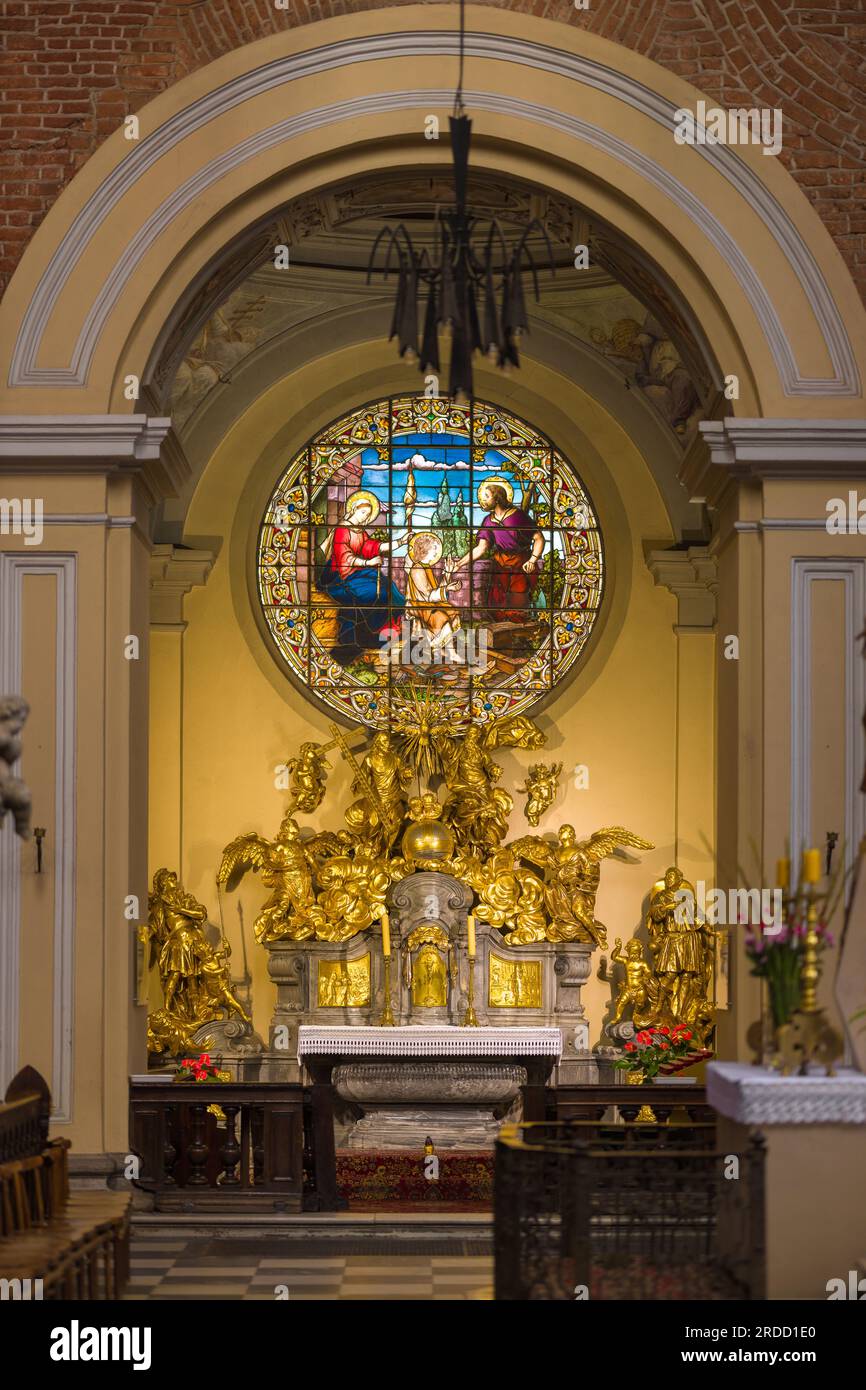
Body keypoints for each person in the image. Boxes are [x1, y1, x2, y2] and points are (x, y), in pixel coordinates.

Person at [317, 490, 407, 653]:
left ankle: (386, 631)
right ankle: (373, 633)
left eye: (368, 515)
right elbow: (346, 558)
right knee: (375, 593)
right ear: (354, 509)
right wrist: (369, 562)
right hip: (341, 578)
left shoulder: (360, 532)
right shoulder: (342, 530)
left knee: (391, 588)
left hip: (359, 574)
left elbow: (375, 547)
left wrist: (400, 542)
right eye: (363, 512)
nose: (365, 518)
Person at [450, 477, 545, 621]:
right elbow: (481, 549)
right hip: (499, 565)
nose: (483, 501)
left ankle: (519, 637)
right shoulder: (488, 521)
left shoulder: (517, 516)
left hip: (520, 564)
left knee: (518, 603)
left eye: (486, 497)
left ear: (497, 498)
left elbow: (539, 538)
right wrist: (459, 564)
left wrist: (532, 560)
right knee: (496, 604)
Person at [404, 532, 462, 662]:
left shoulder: (427, 568)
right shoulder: (417, 568)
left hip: (428, 603)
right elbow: (427, 594)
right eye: (434, 549)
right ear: (424, 551)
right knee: (441, 617)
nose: (437, 553)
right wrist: (447, 588)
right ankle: (450, 653)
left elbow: (435, 592)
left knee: (452, 611)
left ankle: (438, 649)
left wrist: (447, 573)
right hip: (417, 604)